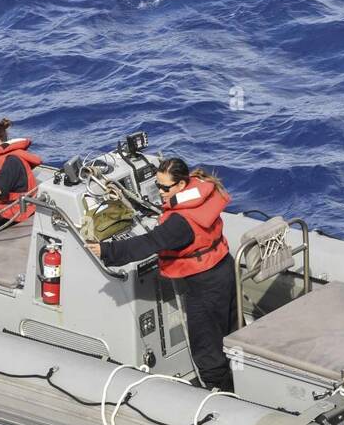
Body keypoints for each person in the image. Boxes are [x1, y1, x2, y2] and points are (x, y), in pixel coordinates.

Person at [87, 157, 236, 392]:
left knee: (206, 347)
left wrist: (107, 250)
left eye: (165, 188)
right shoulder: (200, 192)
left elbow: (151, 242)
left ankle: (222, 395)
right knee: (228, 332)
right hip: (224, 267)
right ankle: (240, 379)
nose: (160, 191)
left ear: (181, 185)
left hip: (205, 283)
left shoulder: (180, 223)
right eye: (157, 185)